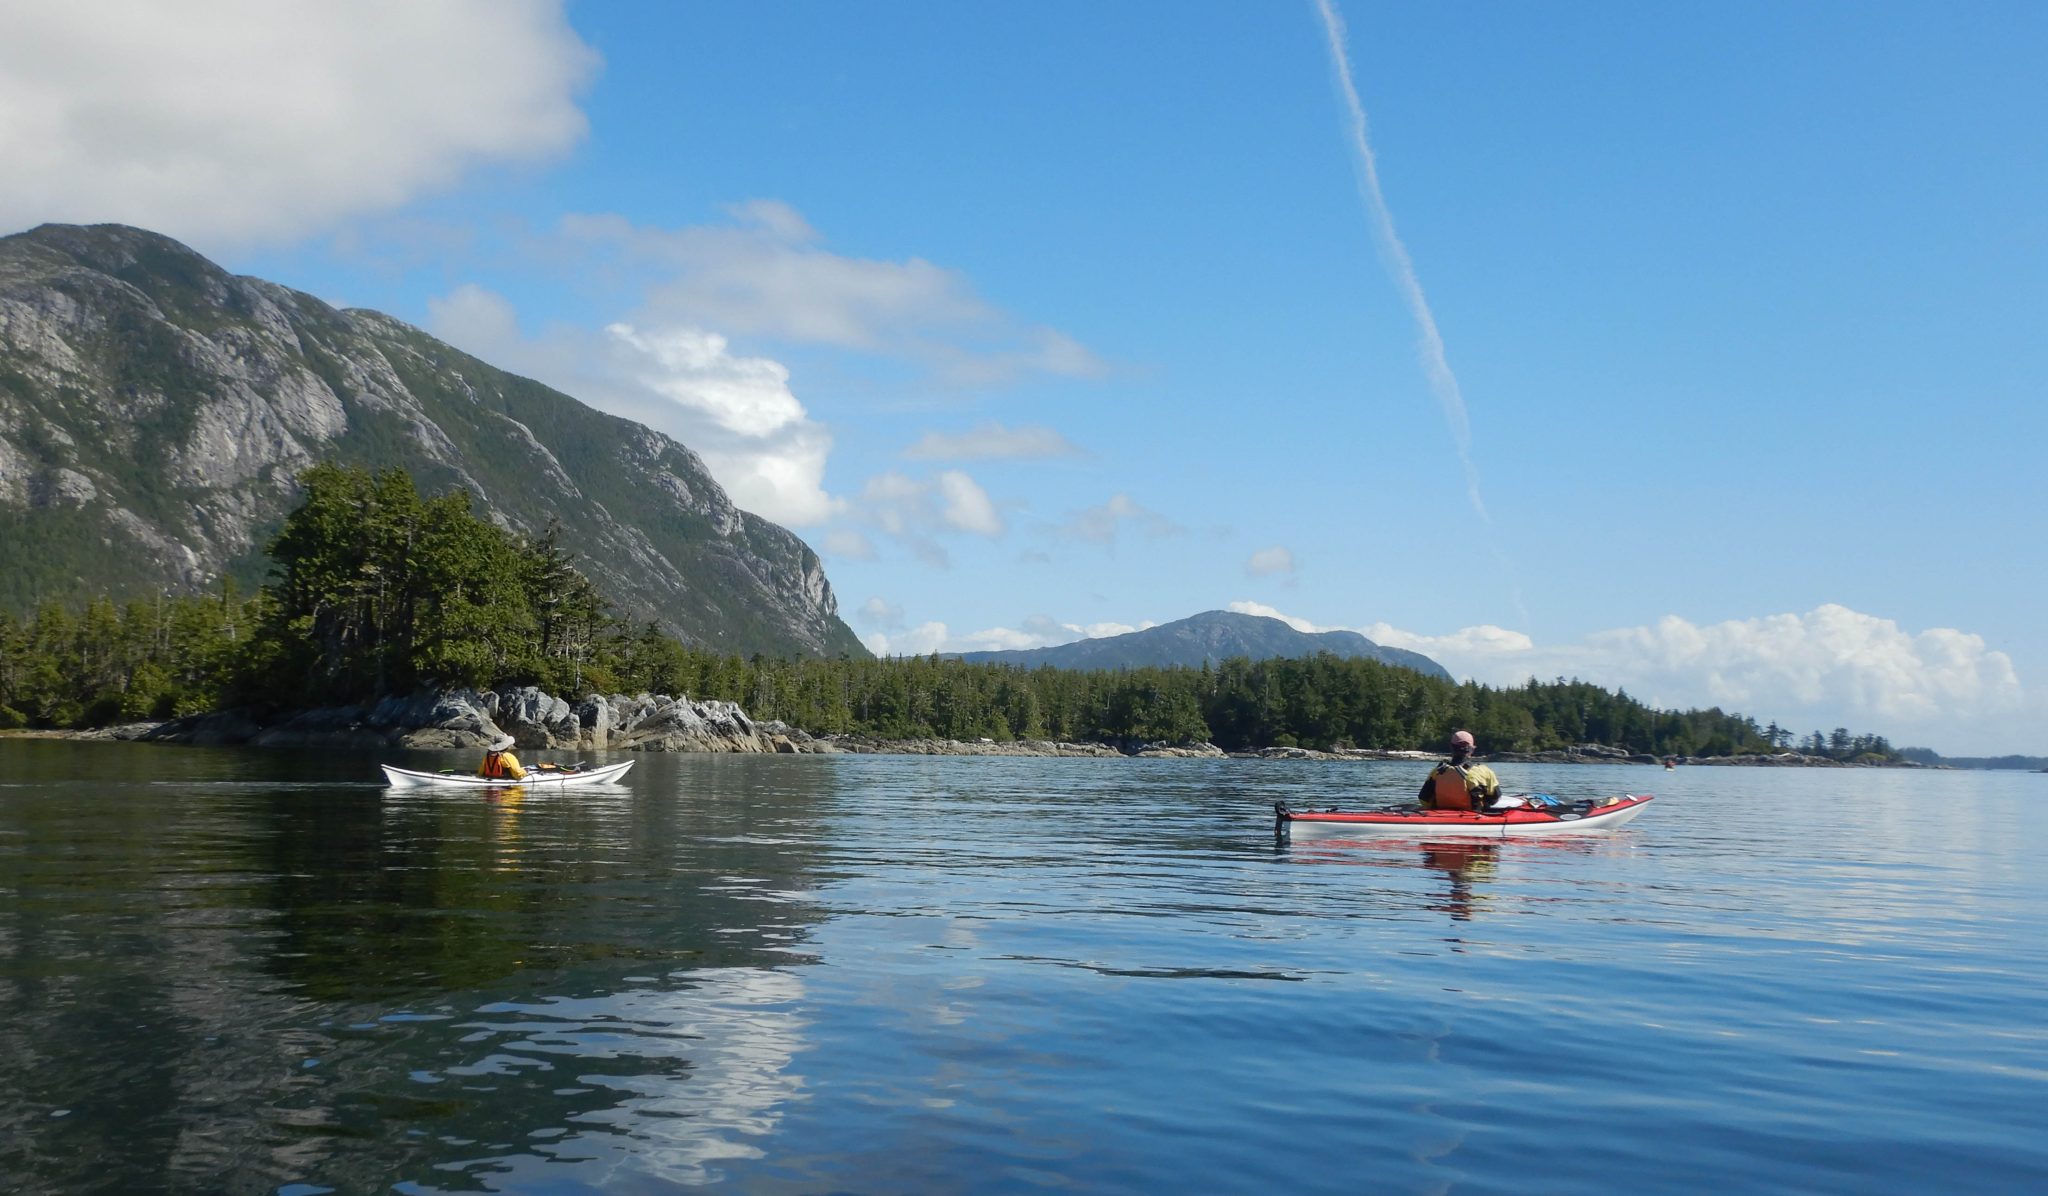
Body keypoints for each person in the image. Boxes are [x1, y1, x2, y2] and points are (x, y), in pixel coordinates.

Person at [1418, 730, 1501, 811]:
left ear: (1451, 747)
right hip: (1474, 817)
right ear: (1472, 749)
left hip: (1441, 815)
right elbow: (1495, 798)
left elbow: (1424, 799)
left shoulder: (1437, 772)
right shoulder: (1484, 771)